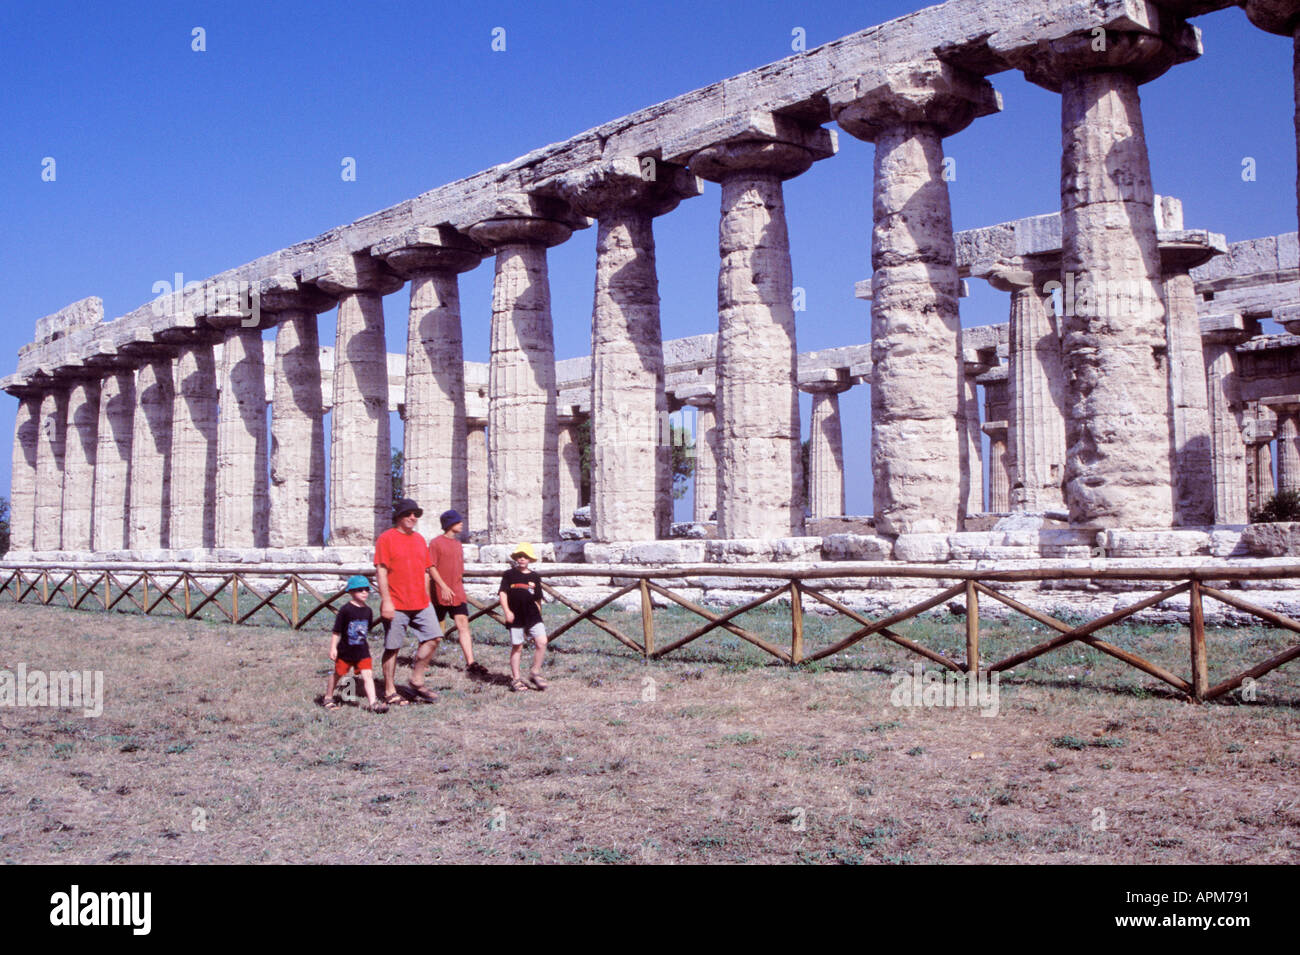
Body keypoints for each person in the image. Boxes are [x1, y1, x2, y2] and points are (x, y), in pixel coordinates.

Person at [374, 498, 440, 705]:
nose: (413, 518)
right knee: (393, 647)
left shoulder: (420, 539)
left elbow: (426, 570)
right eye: (408, 514)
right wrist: (386, 601)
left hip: (420, 601)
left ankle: (416, 679)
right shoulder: (386, 539)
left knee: (434, 638)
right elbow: (381, 571)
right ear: (399, 516)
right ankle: (389, 690)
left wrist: (427, 596)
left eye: (416, 514)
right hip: (396, 601)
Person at [429, 508, 487, 678]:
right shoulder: (435, 543)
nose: (462, 524)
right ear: (450, 524)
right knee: (436, 634)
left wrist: (456, 586)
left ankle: (471, 663)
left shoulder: (457, 544)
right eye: (458, 521)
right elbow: (431, 567)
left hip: (457, 592)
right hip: (440, 593)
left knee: (463, 625)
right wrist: (443, 587)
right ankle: (422, 660)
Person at [323, 575, 387, 713]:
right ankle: (328, 697)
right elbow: (337, 631)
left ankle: (373, 703)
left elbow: (366, 630)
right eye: (360, 590)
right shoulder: (345, 610)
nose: (364, 592)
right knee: (338, 674)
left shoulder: (368, 611)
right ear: (351, 592)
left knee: (368, 675)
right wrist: (333, 648)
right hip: (345, 651)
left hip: (362, 651)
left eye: (366, 589)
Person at [497, 542, 548, 692]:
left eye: (525, 556)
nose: (521, 559)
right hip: (516, 616)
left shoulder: (534, 576)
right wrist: (507, 611)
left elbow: (537, 598)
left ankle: (535, 672)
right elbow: (503, 593)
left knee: (542, 641)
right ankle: (516, 679)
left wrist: (539, 614)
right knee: (517, 646)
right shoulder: (509, 574)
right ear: (515, 559)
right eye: (519, 556)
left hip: (532, 615)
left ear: (530, 559)